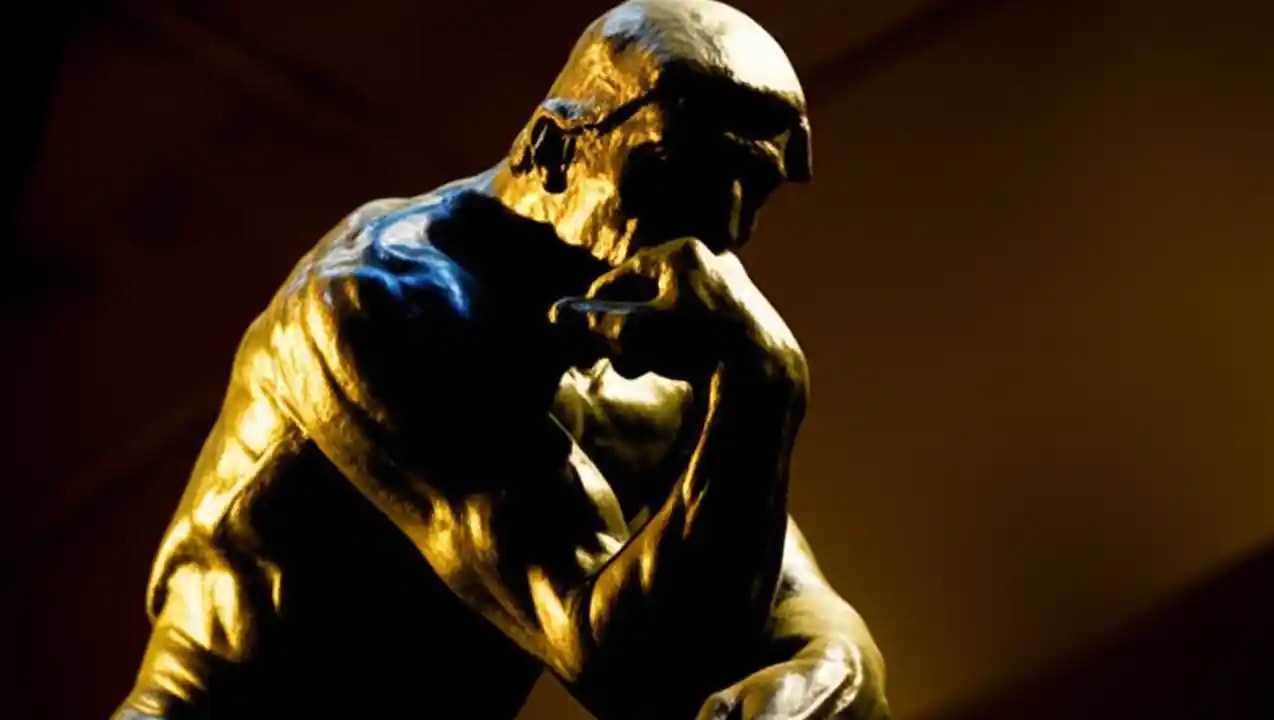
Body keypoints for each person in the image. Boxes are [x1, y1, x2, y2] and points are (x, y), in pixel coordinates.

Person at [113, 1, 889, 718]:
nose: (723, 232)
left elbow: (789, 607)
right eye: (672, 174)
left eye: (751, 187)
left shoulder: (671, 333)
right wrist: (766, 387)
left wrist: (831, 681)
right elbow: (622, 660)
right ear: (554, 150)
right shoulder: (383, 297)